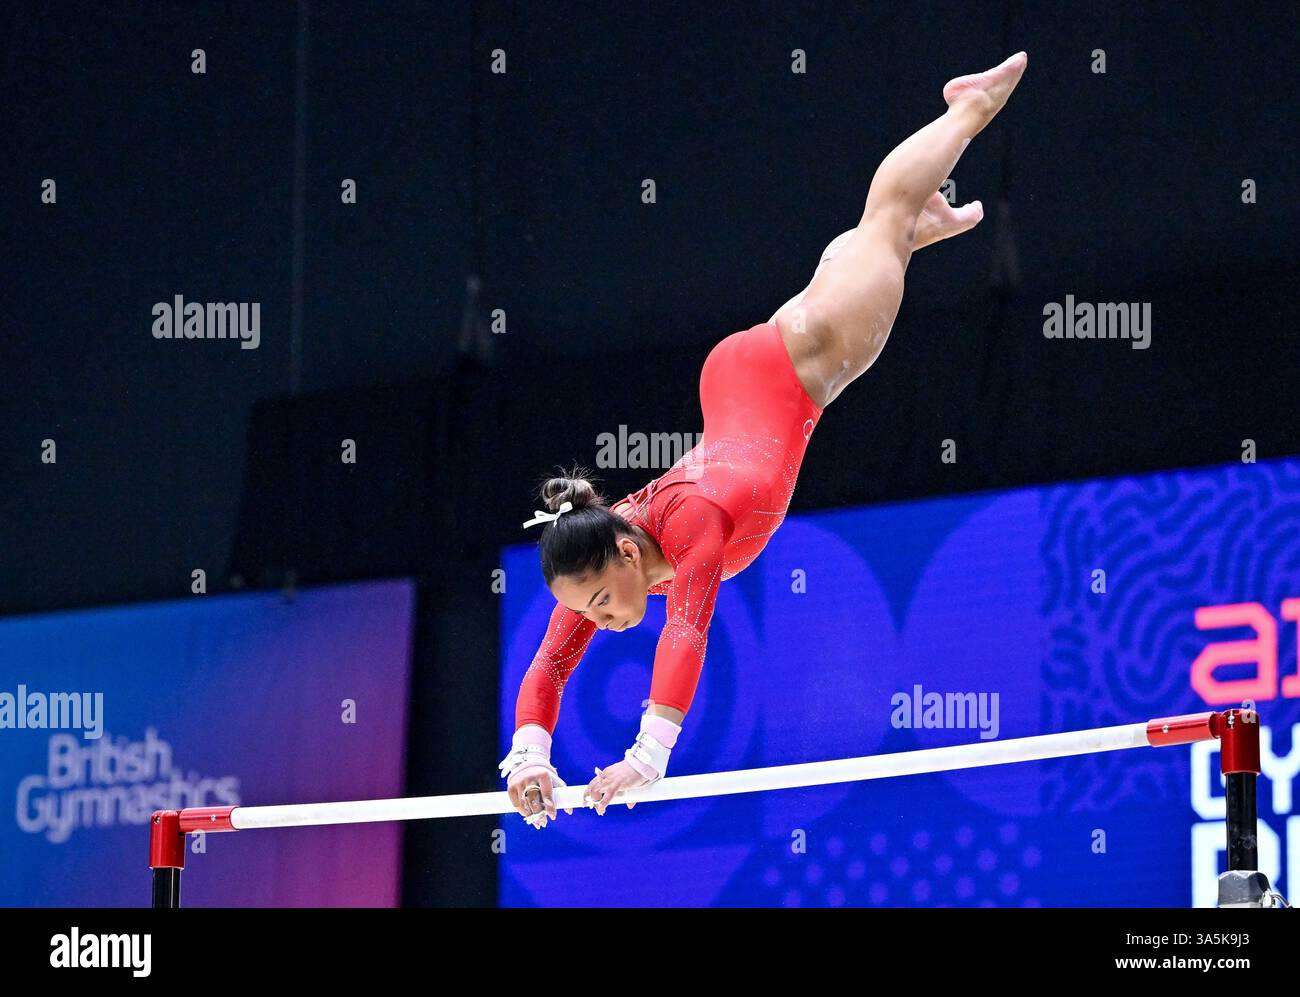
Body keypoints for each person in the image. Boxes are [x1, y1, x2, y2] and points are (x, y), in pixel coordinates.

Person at [500, 52, 1029, 826]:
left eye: (604, 602)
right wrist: (529, 758)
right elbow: (549, 664)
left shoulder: (690, 526)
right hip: (749, 382)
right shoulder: (605, 555)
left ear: (620, 554)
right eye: (596, 611)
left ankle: (966, 109)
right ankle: (905, 239)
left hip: (793, 373)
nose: (606, 621)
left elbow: (687, 626)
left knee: (881, 214)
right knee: (867, 256)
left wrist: (649, 754)